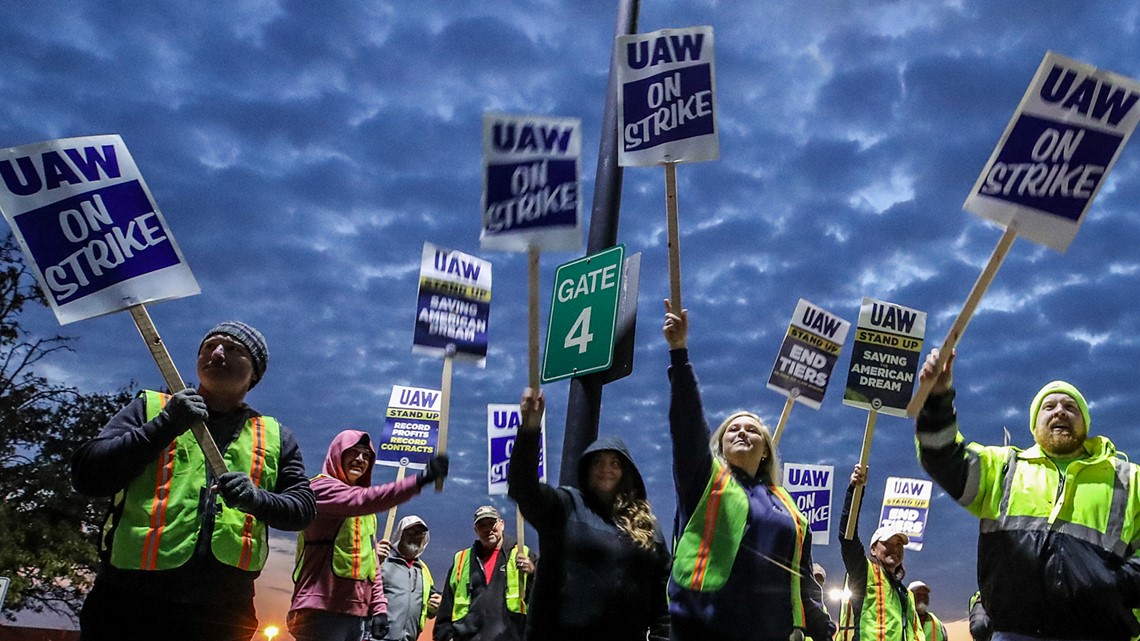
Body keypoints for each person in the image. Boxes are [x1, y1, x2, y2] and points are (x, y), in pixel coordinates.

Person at [70, 321, 316, 641]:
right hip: (126, 602)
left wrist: (255, 499)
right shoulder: (152, 408)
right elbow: (88, 475)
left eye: (233, 348)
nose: (216, 352)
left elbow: (303, 509)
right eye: (208, 346)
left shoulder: (275, 436)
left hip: (222, 613)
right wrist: (167, 423)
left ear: (254, 372)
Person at [916, 348, 1140, 641]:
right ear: (1034, 426)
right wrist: (937, 399)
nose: (1059, 411)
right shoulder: (1004, 469)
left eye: (1070, 407)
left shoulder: (1129, 479)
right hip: (1015, 633)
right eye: (1049, 407)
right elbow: (942, 457)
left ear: (1086, 425)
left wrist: (1111, 586)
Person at [663, 301, 835, 641]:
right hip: (704, 632)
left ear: (766, 449)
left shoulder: (789, 508)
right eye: (732, 429)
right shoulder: (705, 481)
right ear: (720, 445)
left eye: (752, 430)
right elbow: (687, 428)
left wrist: (825, 633)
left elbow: (803, 583)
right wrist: (679, 355)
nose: (742, 432)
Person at [509, 387, 671, 641]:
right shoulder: (565, 505)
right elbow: (523, 489)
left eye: (615, 463)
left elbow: (662, 603)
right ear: (585, 468)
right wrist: (530, 429)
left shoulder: (649, 528)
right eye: (597, 461)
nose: (606, 469)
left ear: (627, 473)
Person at [288, 430, 449, 641]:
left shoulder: (366, 512)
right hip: (320, 611)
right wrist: (419, 480)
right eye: (353, 452)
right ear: (337, 454)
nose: (360, 459)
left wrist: (379, 608)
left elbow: (371, 564)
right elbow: (364, 499)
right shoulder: (320, 488)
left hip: (355, 616)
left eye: (366, 455)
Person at [839, 464, 922, 641]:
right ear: (873, 550)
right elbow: (847, 537)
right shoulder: (864, 573)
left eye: (899, 544)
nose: (894, 549)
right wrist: (855, 491)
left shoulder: (905, 594)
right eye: (887, 543)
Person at [434, 505, 537, 641]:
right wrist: (446, 637)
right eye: (482, 525)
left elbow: (545, 599)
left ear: (502, 524)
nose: (488, 529)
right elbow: (446, 606)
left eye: (492, 523)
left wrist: (533, 574)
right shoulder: (461, 559)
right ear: (475, 530)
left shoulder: (522, 554)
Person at [379, 515, 441, 641]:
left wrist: (435, 606)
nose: (415, 537)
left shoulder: (423, 571)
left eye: (420, 534)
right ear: (400, 534)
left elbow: (427, 608)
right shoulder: (382, 562)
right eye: (411, 532)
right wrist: (373, 560)